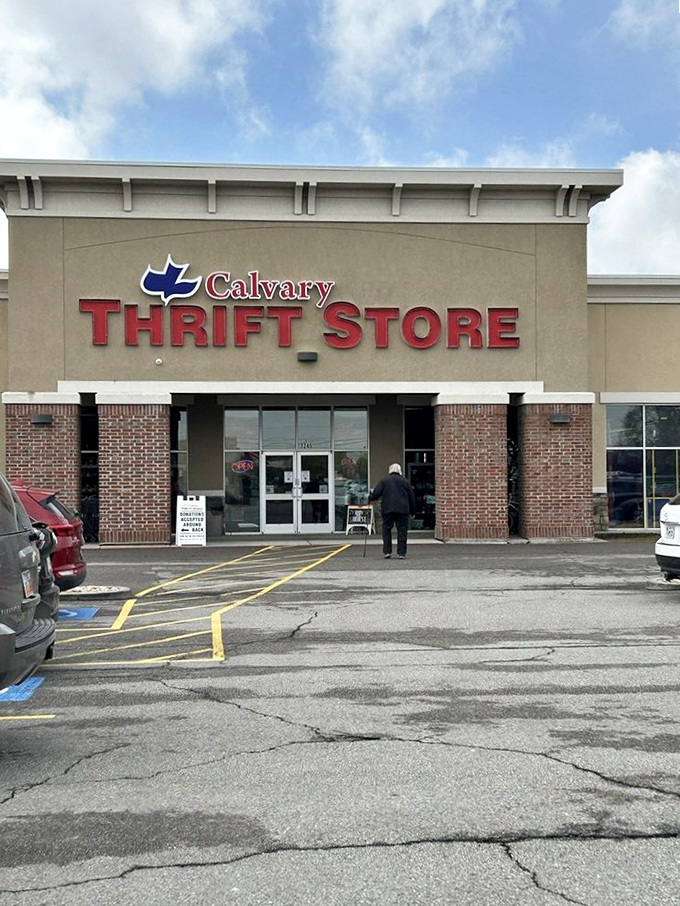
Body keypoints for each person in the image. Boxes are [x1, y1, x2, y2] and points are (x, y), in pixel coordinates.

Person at [369, 463, 416, 560]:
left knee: (386, 530)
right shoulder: (405, 481)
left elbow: (376, 493)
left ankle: (387, 551)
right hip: (402, 510)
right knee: (402, 531)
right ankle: (401, 553)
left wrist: (370, 498)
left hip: (388, 509)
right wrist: (413, 511)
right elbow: (411, 497)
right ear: (399, 470)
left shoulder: (384, 480)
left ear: (390, 470)